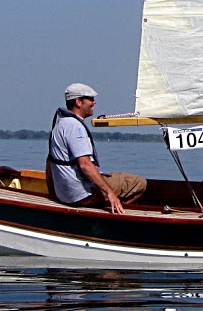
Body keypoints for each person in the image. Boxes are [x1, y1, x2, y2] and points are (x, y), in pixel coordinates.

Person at [46, 83, 146, 215]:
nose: (94, 102)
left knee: (111, 178)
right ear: (78, 102)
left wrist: (54, 192)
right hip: (82, 194)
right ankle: (116, 214)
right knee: (139, 183)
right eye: (91, 99)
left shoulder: (60, 124)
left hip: (65, 194)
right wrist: (110, 193)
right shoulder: (75, 127)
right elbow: (85, 165)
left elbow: (49, 162)